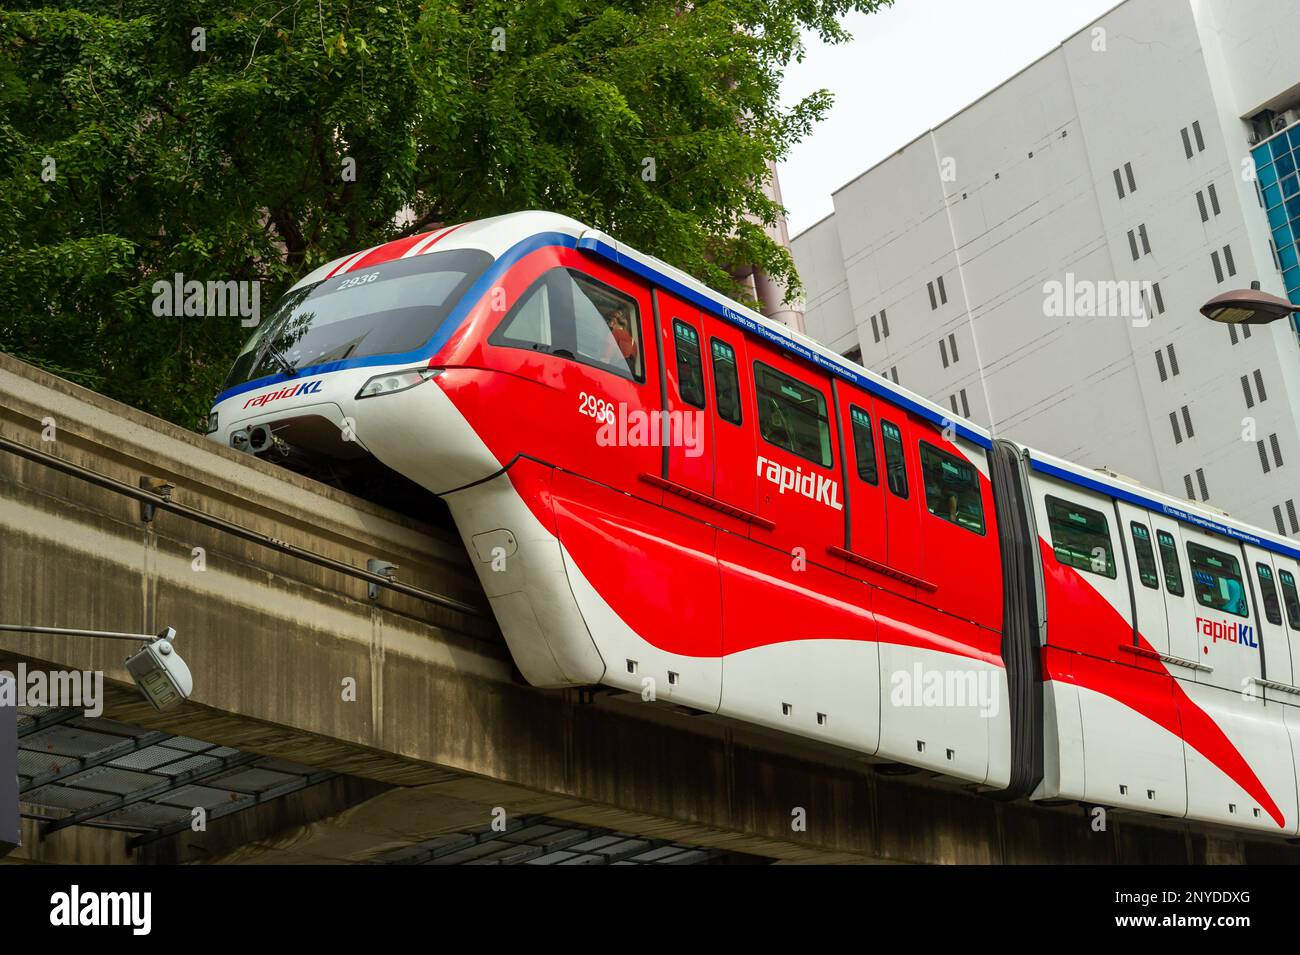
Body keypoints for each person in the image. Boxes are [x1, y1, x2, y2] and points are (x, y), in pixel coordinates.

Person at [603, 307, 637, 372]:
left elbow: (605, 359)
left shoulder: (614, 334)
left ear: (612, 322)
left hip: (611, 374)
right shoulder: (632, 341)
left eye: (608, 321)